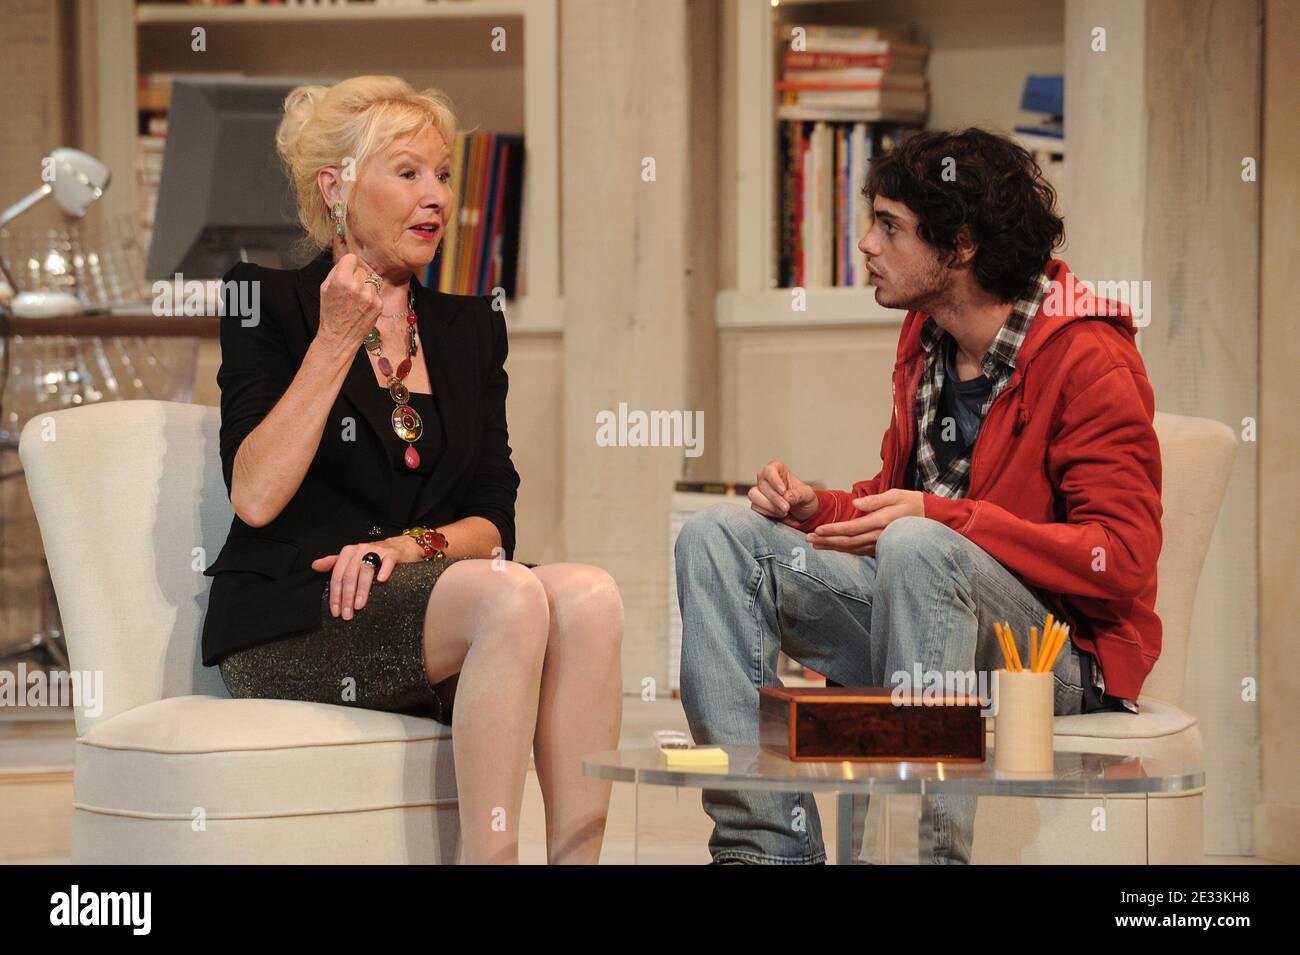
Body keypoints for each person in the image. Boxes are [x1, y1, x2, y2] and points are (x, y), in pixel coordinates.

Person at [675, 127, 1161, 864]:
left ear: (959, 246)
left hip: (1052, 657)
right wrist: (818, 508)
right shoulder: (925, 338)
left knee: (921, 544)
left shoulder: (1088, 357)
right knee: (717, 535)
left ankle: (919, 858)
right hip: (920, 605)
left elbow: (1120, 558)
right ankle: (766, 849)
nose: (866, 243)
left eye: (888, 226)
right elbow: (898, 504)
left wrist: (942, 520)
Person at [200, 75, 623, 865]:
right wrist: (334, 340)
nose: (436, 196)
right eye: (407, 172)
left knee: (589, 596)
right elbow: (254, 495)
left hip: (425, 590)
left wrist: (407, 548)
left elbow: (495, 515)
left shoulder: (469, 327)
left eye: (443, 174)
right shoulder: (268, 303)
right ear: (336, 189)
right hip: (296, 614)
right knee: (505, 595)